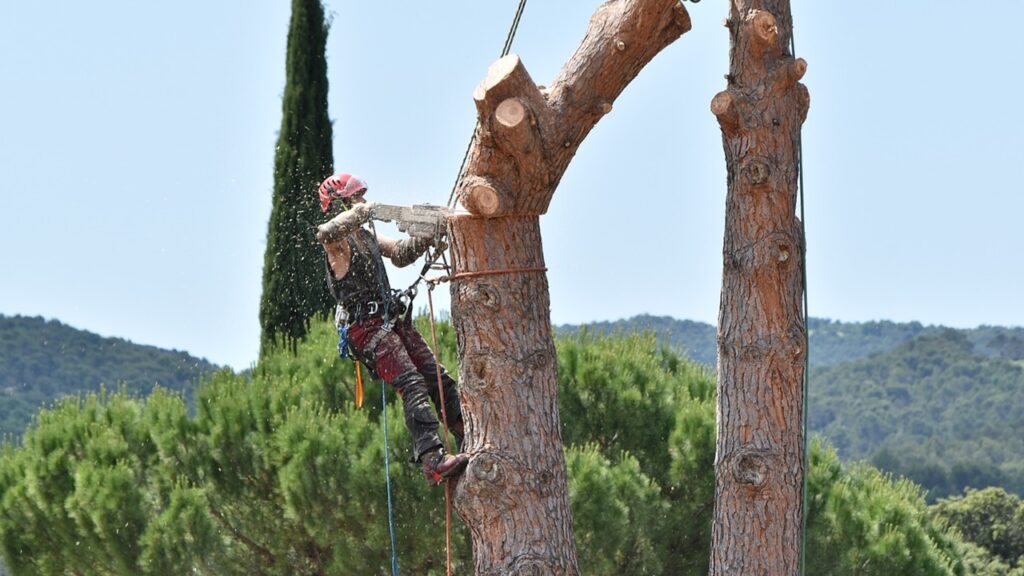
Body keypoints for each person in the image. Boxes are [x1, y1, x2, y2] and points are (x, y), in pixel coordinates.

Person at [315, 172, 468, 485]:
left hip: (389, 320)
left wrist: (428, 234)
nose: (362, 203)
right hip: (366, 329)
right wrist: (361, 212)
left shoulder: (366, 236)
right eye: (355, 198)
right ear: (340, 204)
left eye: (360, 198)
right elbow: (325, 233)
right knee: (412, 383)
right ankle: (432, 460)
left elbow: (400, 254)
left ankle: (466, 432)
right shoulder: (337, 246)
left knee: (435, 376)